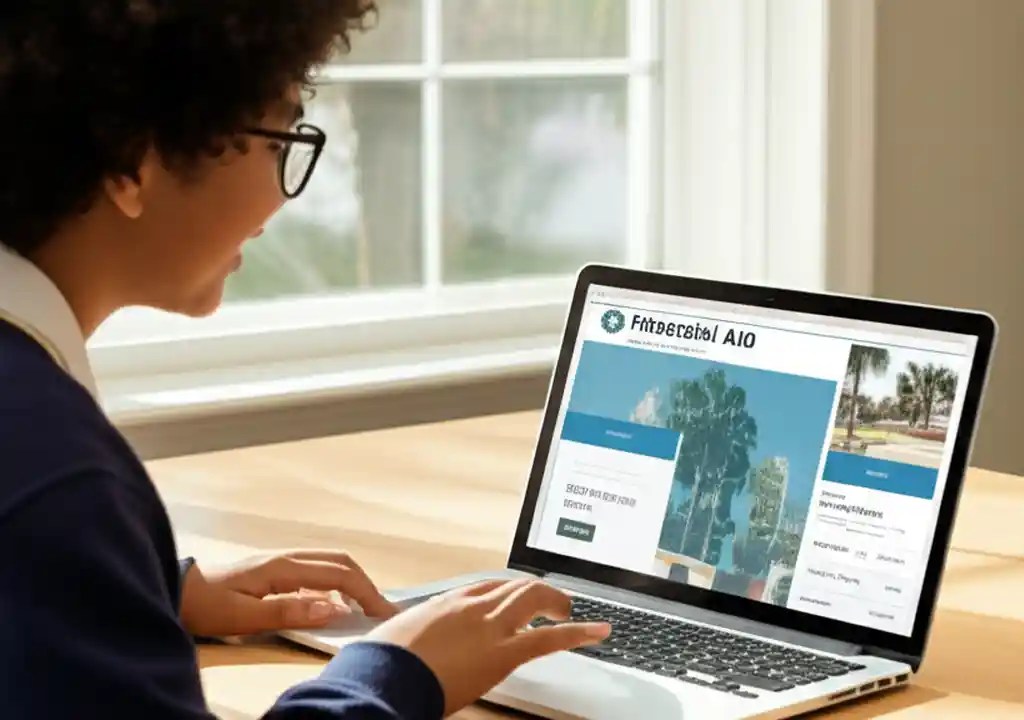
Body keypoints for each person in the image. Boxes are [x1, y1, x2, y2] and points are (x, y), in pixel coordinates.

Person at [0, 2, 609, 717]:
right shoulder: (56, 476)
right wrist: (394, 670)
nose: (283, 197)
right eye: (278, 142)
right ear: (134, 159)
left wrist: (143, 587)